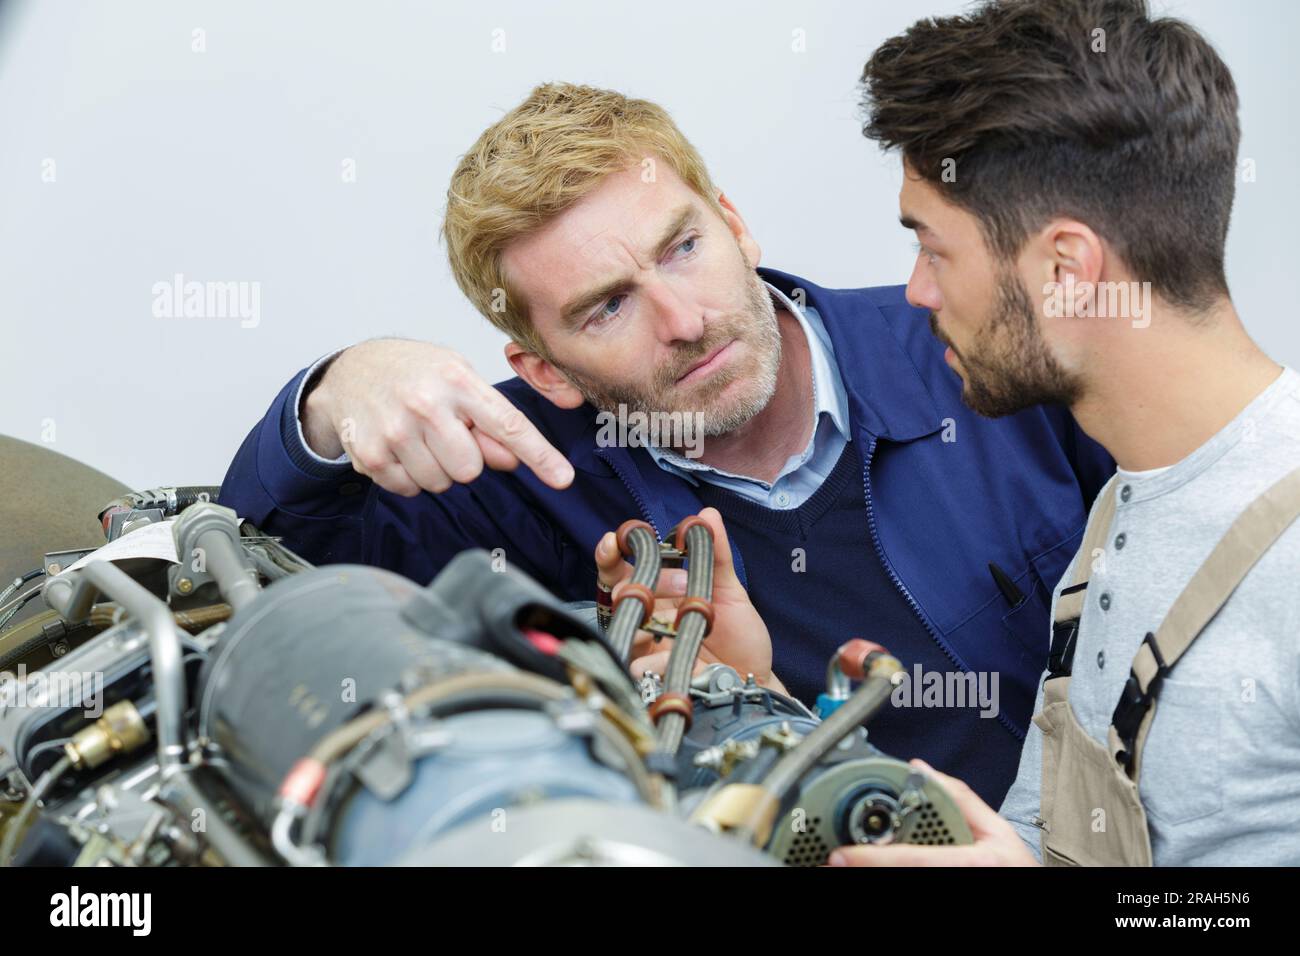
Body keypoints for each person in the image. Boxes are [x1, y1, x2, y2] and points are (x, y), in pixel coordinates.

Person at [218, 83, 1112, 806]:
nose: (685, 322)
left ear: (734, 221)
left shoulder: (978, 348)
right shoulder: (521, 463)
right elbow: (258, 595)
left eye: (682, 248)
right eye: (606, 306)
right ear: (547, 371)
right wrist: (332, 395)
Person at [679, 0, 1300, 866]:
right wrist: (755, 694)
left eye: (934, 250)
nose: (917, 294)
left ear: (1065, 268)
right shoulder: (1124, 508)